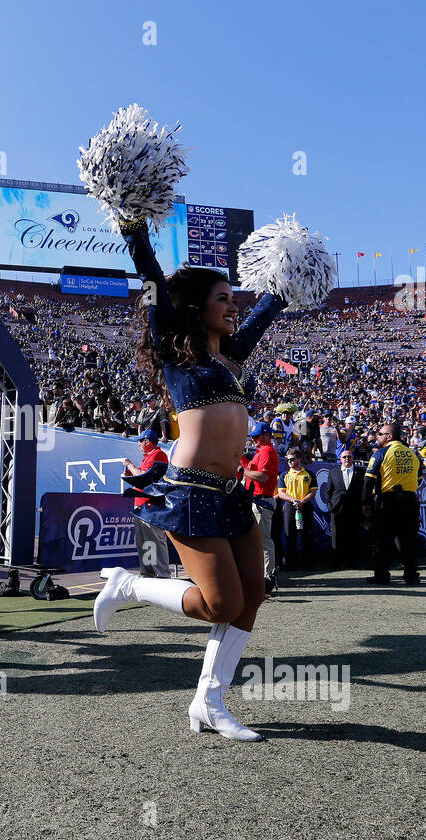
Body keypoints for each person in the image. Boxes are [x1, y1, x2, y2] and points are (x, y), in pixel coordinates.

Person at [95, 220, 289, 741]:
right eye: (223, 298)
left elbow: (265, 314)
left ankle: (210, 703)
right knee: (221, 604)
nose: (233, 307)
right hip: (189, 491)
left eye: (235, 299)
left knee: (253, 596)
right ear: (195, 307)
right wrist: (135, 230)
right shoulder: (176, 352)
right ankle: (128, 584)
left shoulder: (230, 357)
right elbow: (153, 279)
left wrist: (287, 282)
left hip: (231, 494)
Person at [363, 422, 421, 586]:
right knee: (408, 540)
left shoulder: (381, 453)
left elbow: (368, 481)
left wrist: (365, 503)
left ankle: (382, 575)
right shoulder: (413, 454)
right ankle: (411, 575)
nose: (377, 436)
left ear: (389, 436)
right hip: (410, 501)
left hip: (387, 502)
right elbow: (419, 478)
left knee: (383, 540)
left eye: (380, 434)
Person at [122, 429, 172, 578]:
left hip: (151, 506)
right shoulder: (150, 456)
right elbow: (142, 477)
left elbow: (143, 478)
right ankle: (147, 575)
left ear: (147, 442)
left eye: (140, 441)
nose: (138, 444)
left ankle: (163, 576)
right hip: (142, 505)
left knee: (155, 541)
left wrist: (130, 465)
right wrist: (131, 473)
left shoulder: (157, 455)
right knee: (144, 543)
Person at [239, 423, 279, 597]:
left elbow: (262, 477)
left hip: (262, 501)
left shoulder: (267, 451)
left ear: (265, 436)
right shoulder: (262, 451)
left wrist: (242, 469)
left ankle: (267, 580)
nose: (253, 440)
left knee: (263, 542)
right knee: (258, 542)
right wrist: (242, 460)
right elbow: (253, 471)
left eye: (256, 437)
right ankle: (261, 580)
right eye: (253, 437)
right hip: (257, 500)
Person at [320, 448, 365, 568]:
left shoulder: (360, 472)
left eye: (349, 457)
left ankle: (352, 562)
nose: (347, 459)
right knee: (337, 536)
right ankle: (336, 562)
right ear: (340, 459)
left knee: (353, 535)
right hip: (337, 509)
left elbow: (364, 490)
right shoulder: (333, 472)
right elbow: (328, 491)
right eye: (344, 457)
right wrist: (330, 506)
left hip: (354, 509)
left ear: (353, 458)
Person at [276, 450, 317, 570]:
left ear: (299, 459)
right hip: (290, 507)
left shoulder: (309, 474)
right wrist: (293, 500)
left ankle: (308, 564)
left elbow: (313, 491)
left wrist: (303, 501)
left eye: (292, 459)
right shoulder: (284, 475)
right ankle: (291, 564)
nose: (290, 462)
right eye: (288, 460)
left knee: (307, 535)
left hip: (306, 506)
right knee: (290, 536)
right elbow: (281, 493)